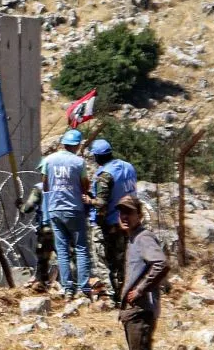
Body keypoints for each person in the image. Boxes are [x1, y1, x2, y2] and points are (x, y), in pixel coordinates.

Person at [115, 195, 168, 350]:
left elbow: (161, 263)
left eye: (129, 212)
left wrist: (141, 289)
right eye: (121, 212)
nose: (124, 217)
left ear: (139, 215)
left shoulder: (144, 237)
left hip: (140, 312)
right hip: (133, 312)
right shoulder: (133, 238)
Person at [42, 130, 91, 298]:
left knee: (62, 251)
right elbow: (85, 186)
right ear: (77, 145)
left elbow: (45, 185)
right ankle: (84, 289)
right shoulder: (79, 163)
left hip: (55, 209)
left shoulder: (48, 160)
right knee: (81, 249)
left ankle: (68, 289)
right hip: (74, 209)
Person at [89, 140, 138, 308]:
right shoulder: (128, 167)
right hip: (127, 222)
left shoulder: (105, 175)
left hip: (109, 223)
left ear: (97, 157)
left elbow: (101, 204)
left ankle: (110, 297)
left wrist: (89, 201)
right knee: (122, 260)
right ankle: (124, 293)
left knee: (102, 260)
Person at [18, 182, 55, 292]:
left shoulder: (39, 188)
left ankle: (41, 283)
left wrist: (20, 205)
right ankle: (70, 285)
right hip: (64, 226)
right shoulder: (64, 185)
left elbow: (27, 208)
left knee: (43, 258)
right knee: (66, 257)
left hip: (47, 228)